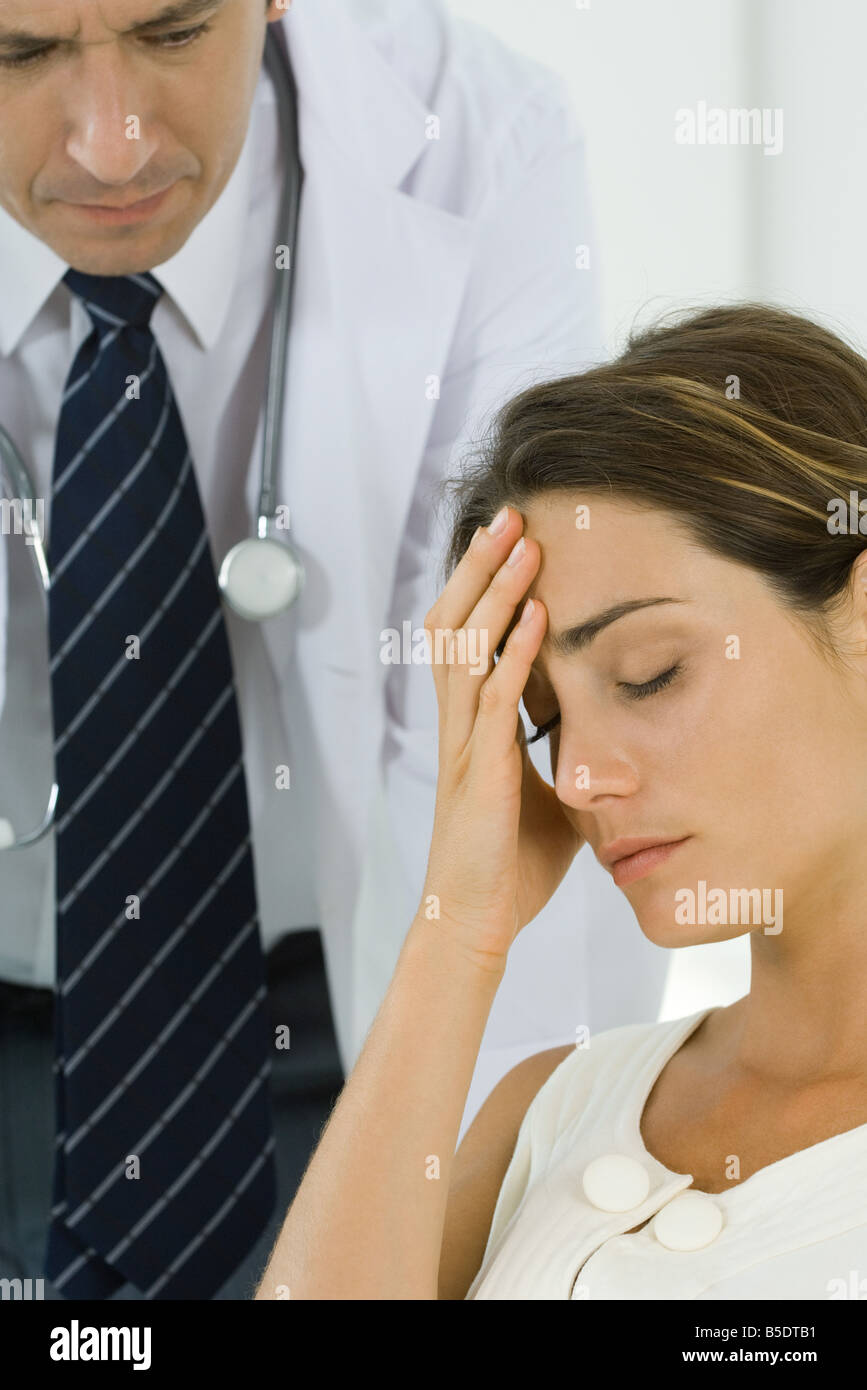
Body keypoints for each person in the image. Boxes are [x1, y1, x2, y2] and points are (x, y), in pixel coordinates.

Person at [0, 0, 660, 1302]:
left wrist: (494, 1226)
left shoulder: (477, 144)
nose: (113, 143)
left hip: (323, 1028)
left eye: (174, 31)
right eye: (17, 56)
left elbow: (492, 717)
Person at [255, 301, 867, 1301]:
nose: (577, 780)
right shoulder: (556, 1106)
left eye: (648, 674)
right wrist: (458, 931)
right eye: (541, 721)